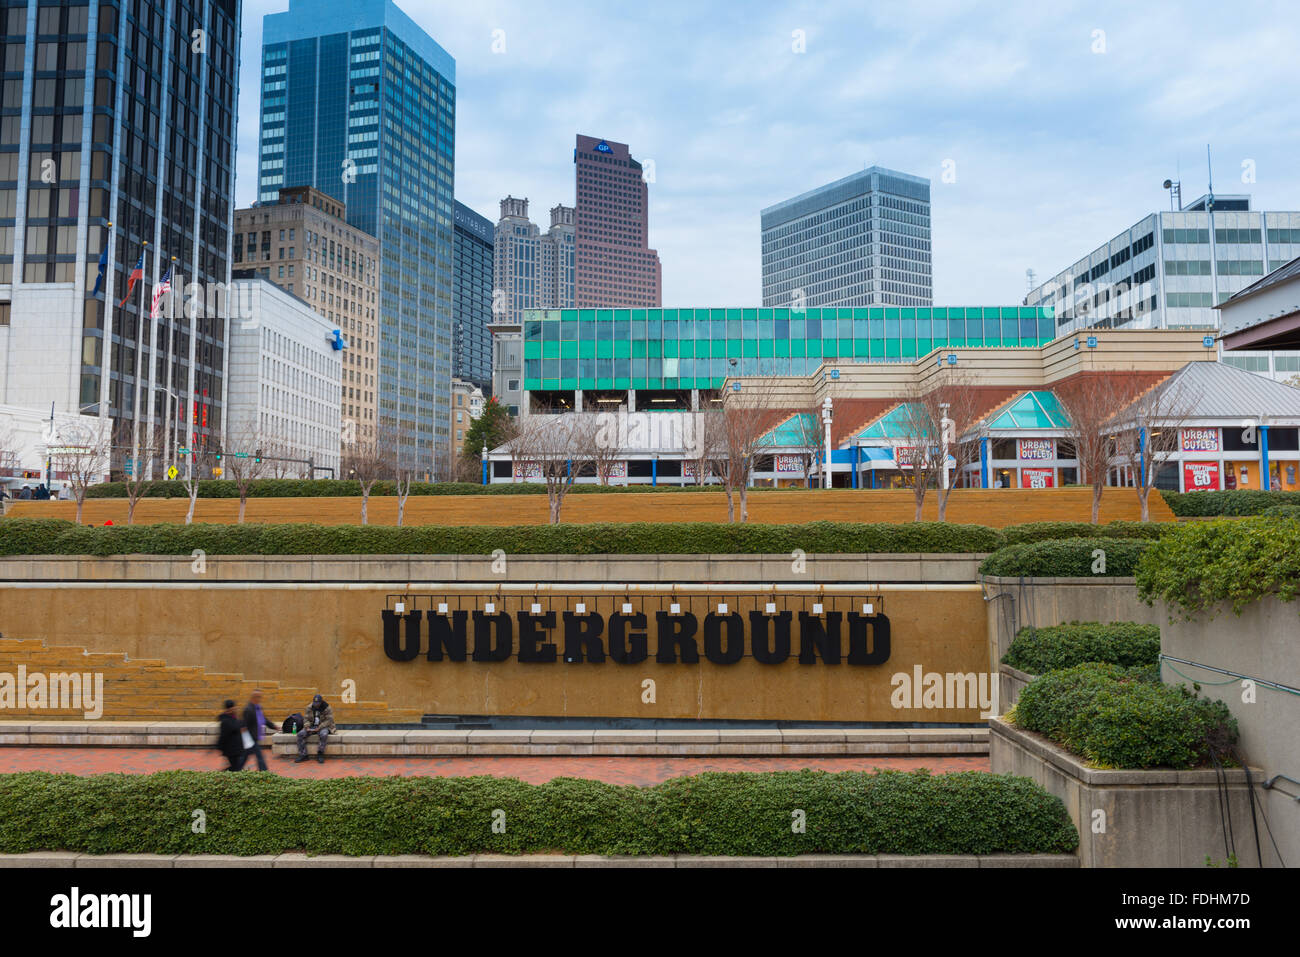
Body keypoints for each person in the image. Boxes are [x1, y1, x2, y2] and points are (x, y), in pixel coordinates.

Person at [242, 689, 279, 771]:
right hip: (250, 737)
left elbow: (263, 719)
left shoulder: (257, 708)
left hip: (254, 736)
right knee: (259, 756)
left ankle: (235, 769)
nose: (259, 699)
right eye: (258, 697)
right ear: (253, 697)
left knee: (244, 757)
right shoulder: (248, 709)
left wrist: (274, 726)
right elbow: (244, 725)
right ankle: (264, 771)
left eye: (260, 697)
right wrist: (245, 739)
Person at [295, 693, 334, 764]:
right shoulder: (309, 707)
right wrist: (307, 726)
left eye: (318, 703)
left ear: (321, 702)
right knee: (300, 734)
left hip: (323, 726)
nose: (316, 704)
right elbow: (306, 719)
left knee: (324, 734)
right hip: (312, 726)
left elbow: (329, 720)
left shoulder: (327, 708)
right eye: (315, 702)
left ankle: (320, 754)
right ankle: (303, 755)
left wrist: (319, 727)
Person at [216, 699, 248, 771]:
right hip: (231, 751)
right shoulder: (225, 721)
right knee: (236, 769)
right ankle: (220, 774)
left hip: (237, 749)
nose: (236, 709)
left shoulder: (233, 717)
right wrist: (220, 748)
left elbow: (239, 726)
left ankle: (222, 774)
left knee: (237, 768)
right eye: (234, 708)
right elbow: (223, 736)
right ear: (229, 709)